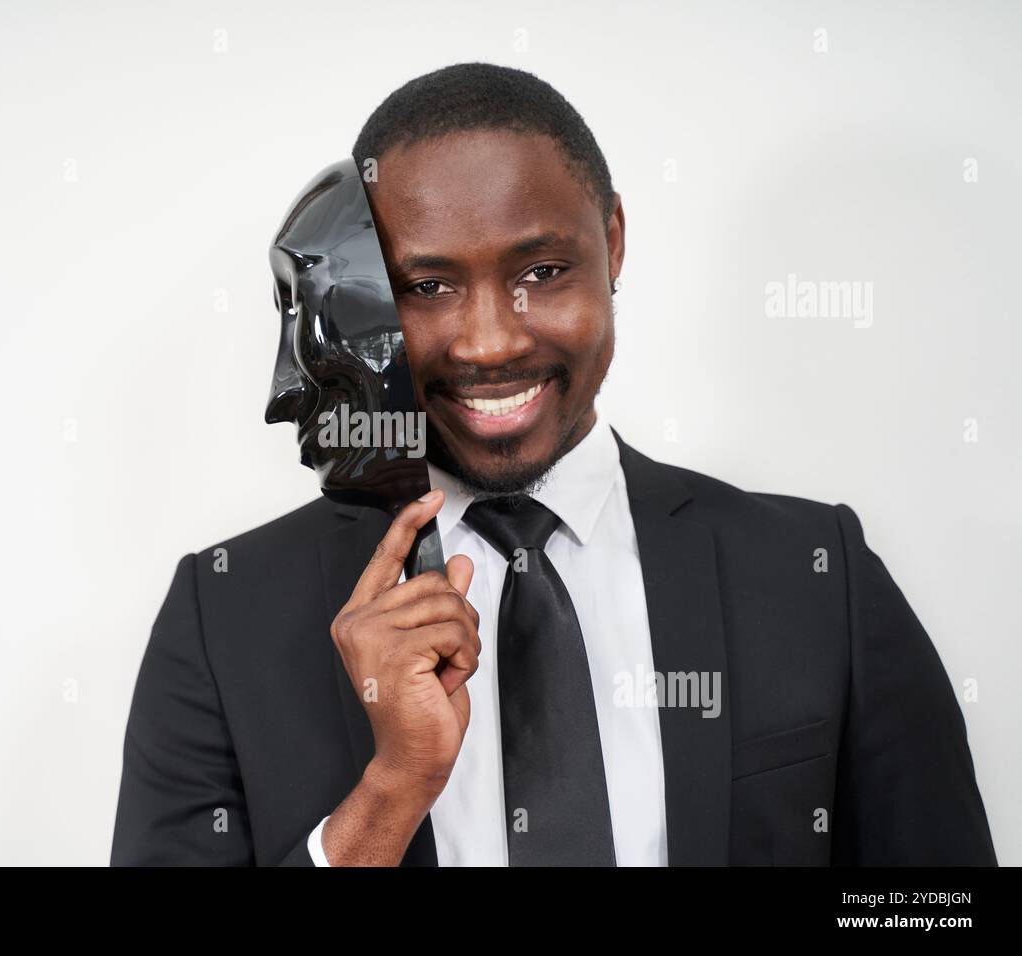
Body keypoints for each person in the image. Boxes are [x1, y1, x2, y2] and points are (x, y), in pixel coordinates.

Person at [109, 62, 996, 866]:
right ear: (367, 300)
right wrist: (389, 797)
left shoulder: (814, 573)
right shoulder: (224, 618)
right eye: (428, 287)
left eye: (540, 269)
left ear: (612, 242)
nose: (490, 341)